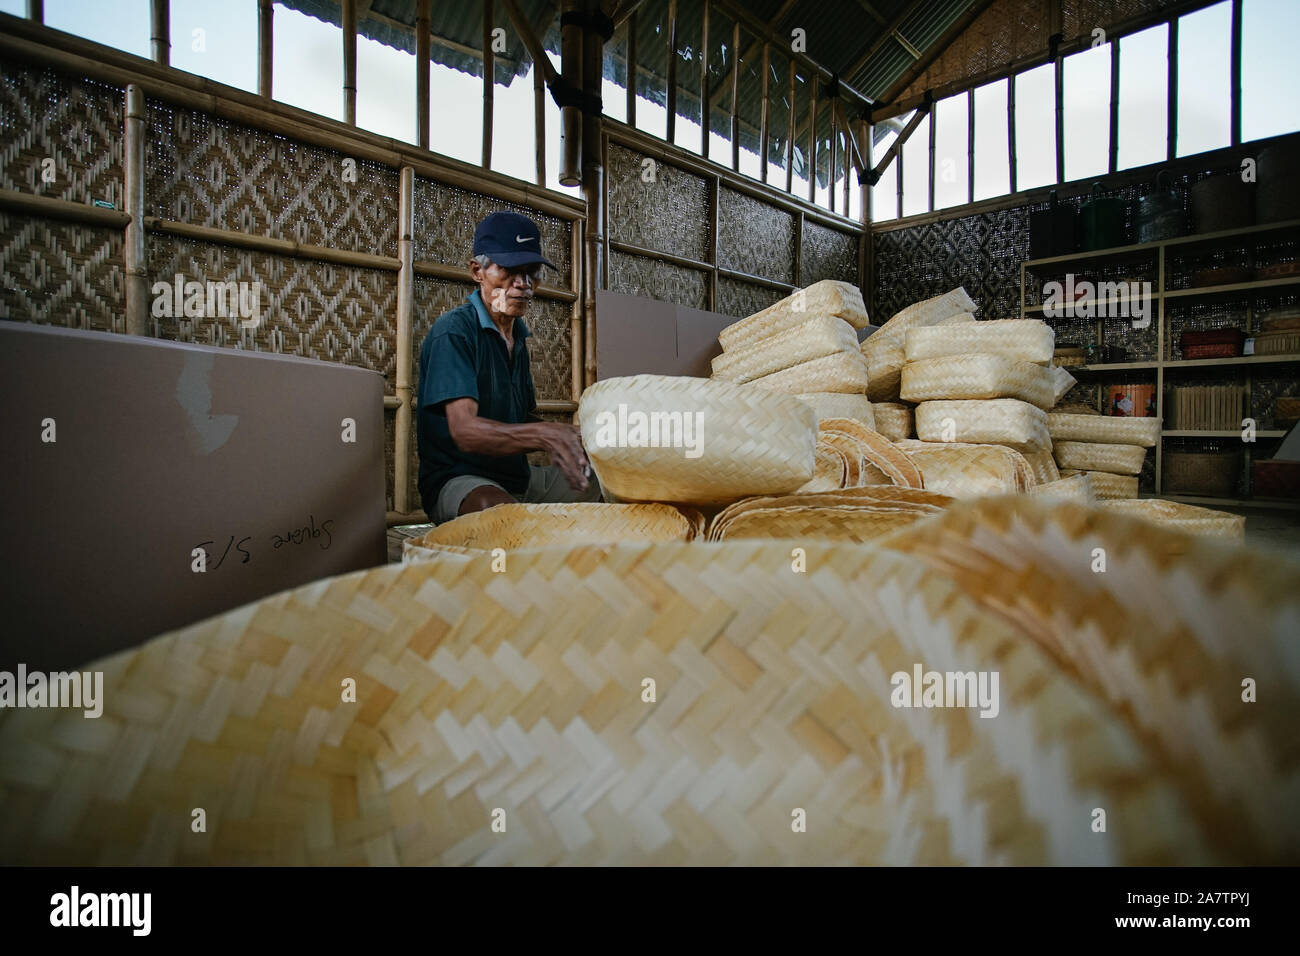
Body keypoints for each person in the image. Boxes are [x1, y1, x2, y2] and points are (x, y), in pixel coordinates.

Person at [416, 211, 601, 523]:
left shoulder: (518, 337)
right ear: (478, 270)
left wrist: (575, 435)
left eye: (531, 272)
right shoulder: (455, 331)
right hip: (462, 481)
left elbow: (519, 418)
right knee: (500, 516)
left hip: (520, 480)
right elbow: (465, 432)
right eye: (509, 270)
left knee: (608, 483)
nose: (523, 284)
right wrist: (545, 435)